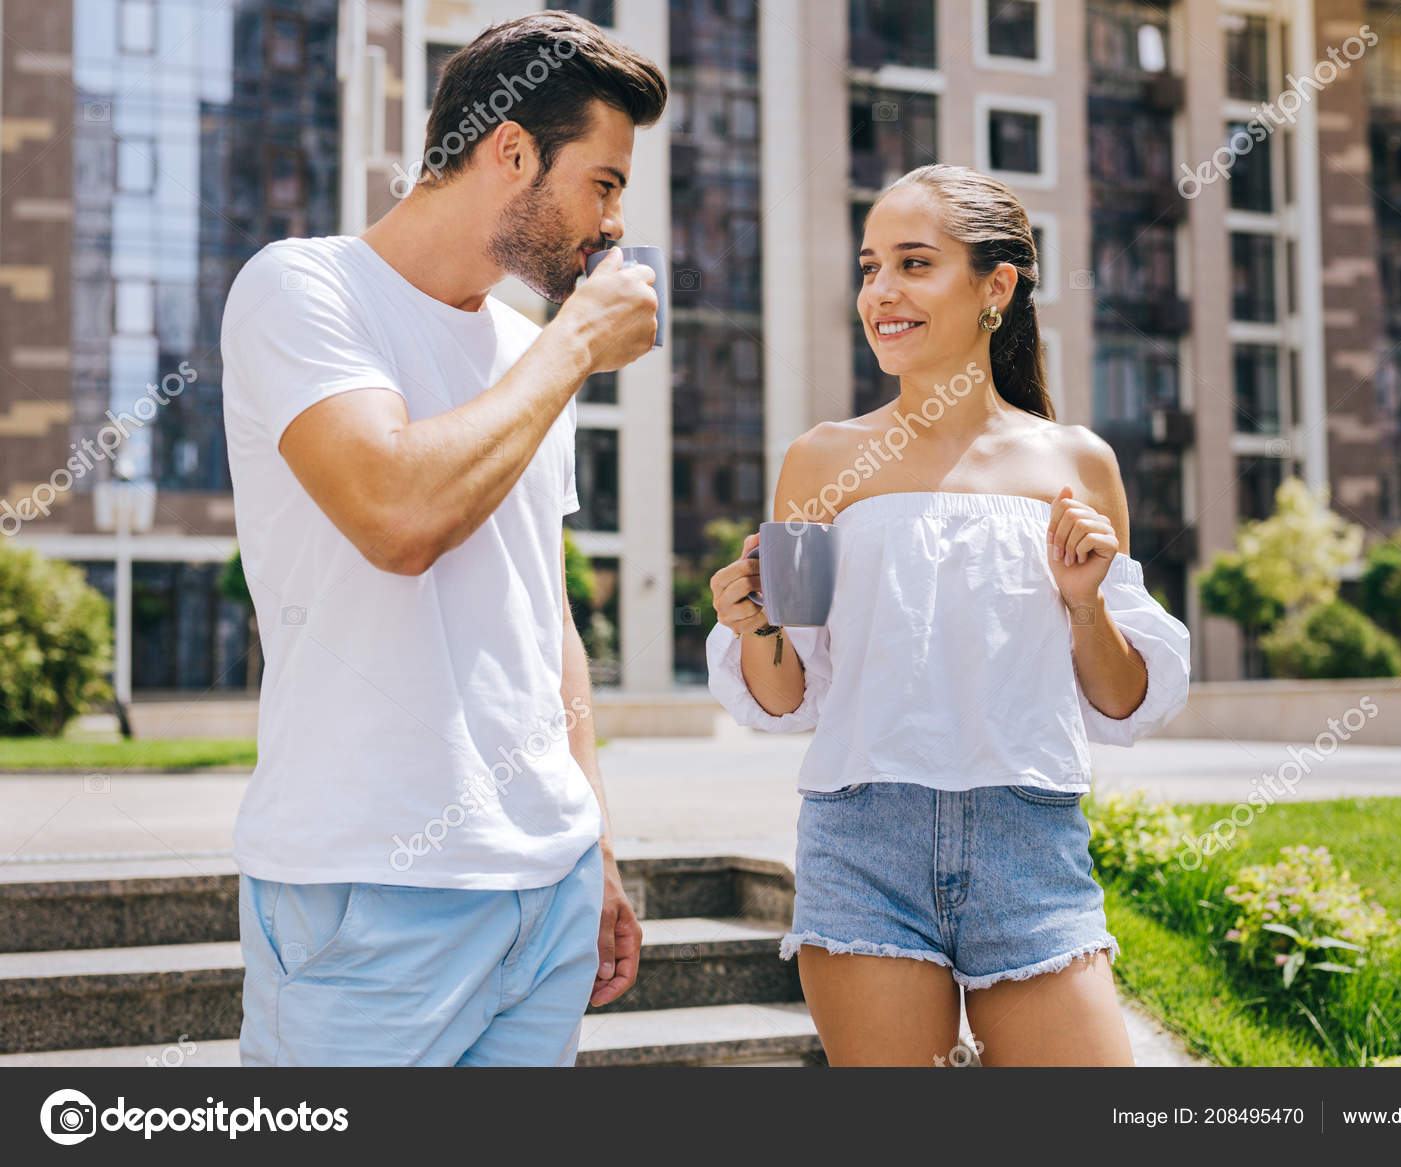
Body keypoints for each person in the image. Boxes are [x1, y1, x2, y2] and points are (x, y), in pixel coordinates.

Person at [218, 12, 667, 1065]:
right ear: (510, 150)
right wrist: (573, 351)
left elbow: (539, 613)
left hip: (545, 890)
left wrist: (593, 839)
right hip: (371, 892)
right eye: (603, 183)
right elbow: (398, 519)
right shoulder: (302, 289)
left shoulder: (523, 347)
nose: (612, 224)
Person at [704, 164, 1191, 1067]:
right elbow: (791, 699)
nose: (881, 292)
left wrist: (1087, 608)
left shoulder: (1078, 465)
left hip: (1030, 842)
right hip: (864, 841)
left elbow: (1121, 702)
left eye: (914, 264)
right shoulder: (817, 463)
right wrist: (757, 629)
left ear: (995, 286)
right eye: (869, 266)